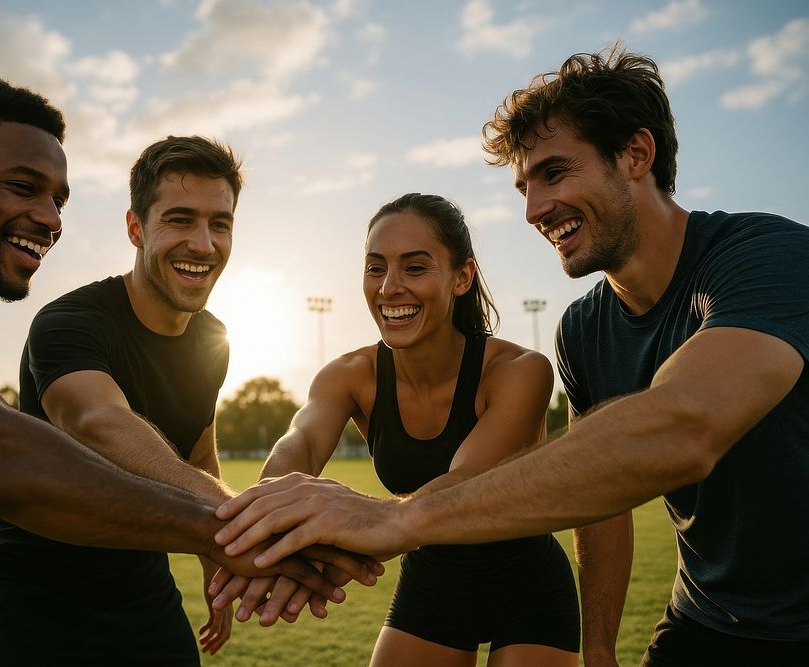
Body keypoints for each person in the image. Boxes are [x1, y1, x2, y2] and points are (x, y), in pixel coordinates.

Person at [212, 44, 809, 666]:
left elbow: (687, 424)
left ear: (636, 154)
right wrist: (600, 647)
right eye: (524, 186)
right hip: (706, 623)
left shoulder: (767, 258)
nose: (532, 210)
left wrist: (392, 520)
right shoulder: (584, 328)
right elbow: (598, 494)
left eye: (555, 173)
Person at [0, 79, 376, 667]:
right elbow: (6, 445)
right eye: (23, 188)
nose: (48, 217)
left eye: (59, 199)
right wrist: (230, 531)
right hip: (39, 593)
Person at [217, 193, 579, 666]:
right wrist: (271, 531)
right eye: (375, 267)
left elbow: (466, 482)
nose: (389, 287)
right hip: (433, 584)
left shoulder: (519, 370)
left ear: (461, 277)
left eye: (414, 267)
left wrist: (362, 521)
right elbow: (299, 442)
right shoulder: (349, 375)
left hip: (528, 588)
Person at [0, 136, 250, 664]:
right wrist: (242, 522)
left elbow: (198, 456)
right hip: (39, 590)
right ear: (135, 228)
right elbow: (98, 421)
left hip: (142, 579)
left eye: (220, 224)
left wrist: (214, 558)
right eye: (180, 220)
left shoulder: (213, 338)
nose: (203, 244)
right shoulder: (70, 322)